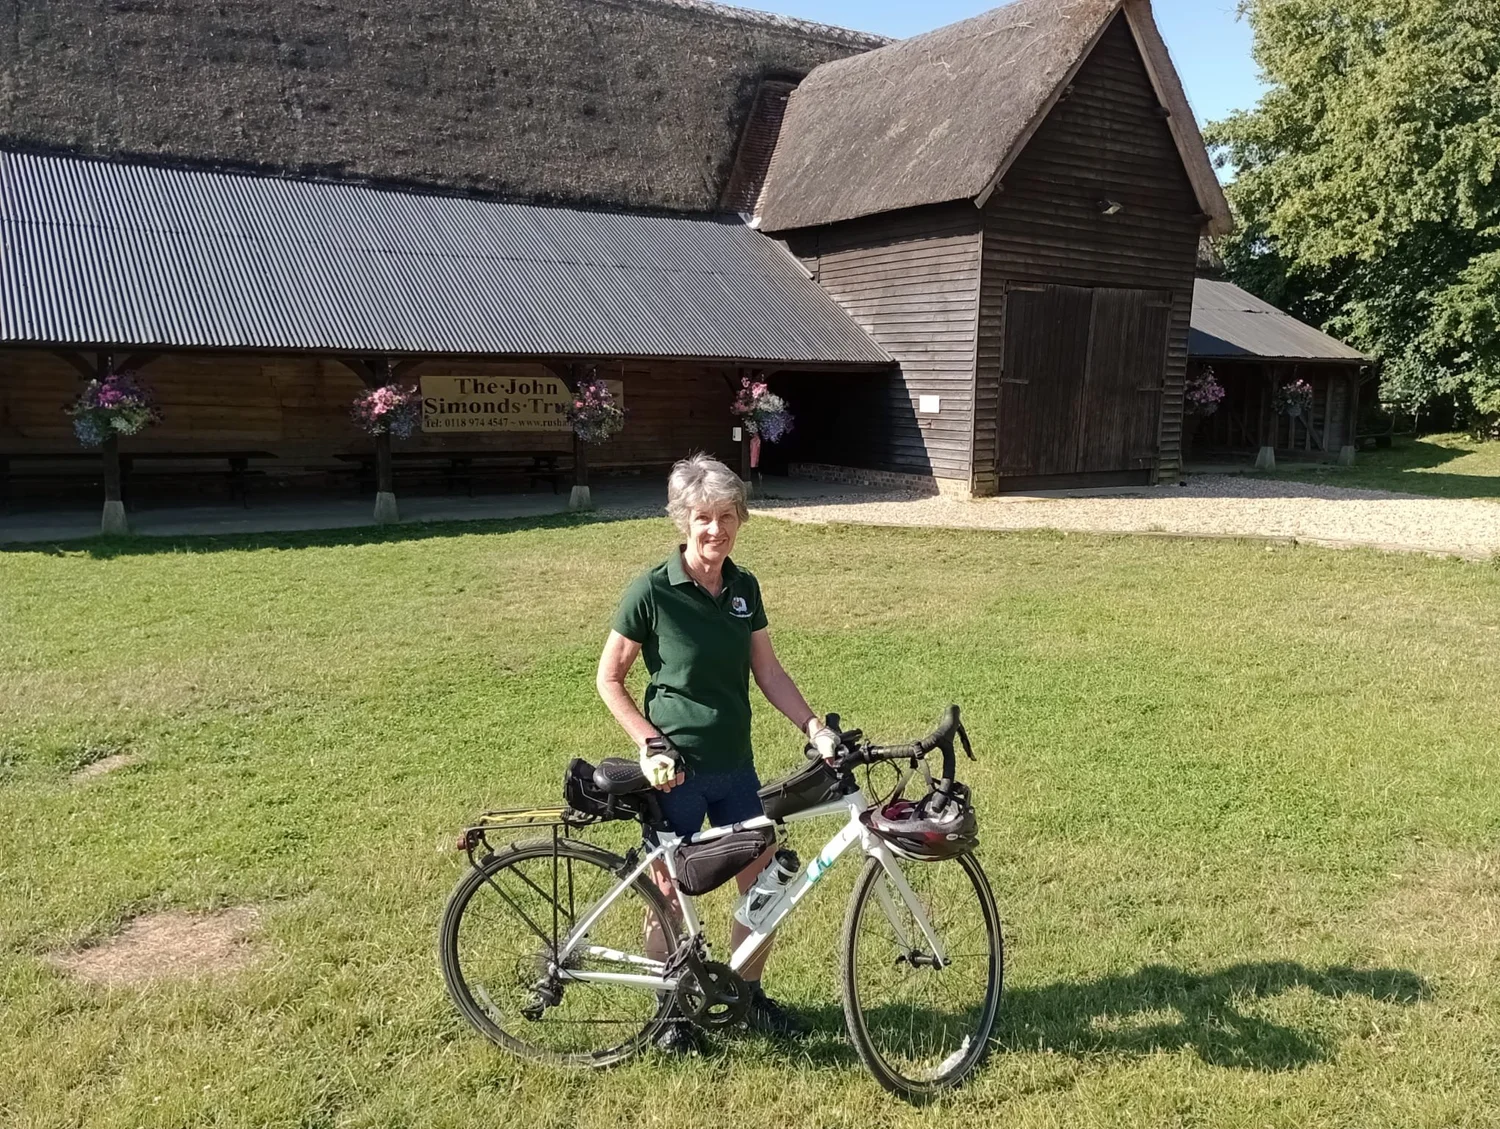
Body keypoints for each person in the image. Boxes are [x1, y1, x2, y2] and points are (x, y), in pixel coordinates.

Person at [596, 453, 840, 1053]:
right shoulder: (651, 590)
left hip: (735, 767)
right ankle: (669, 1018)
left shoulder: (743, 587)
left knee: (763, 890)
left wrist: (813, 726)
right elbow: (609, 678)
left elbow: (768, 669)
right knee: (670, 898)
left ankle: (746, 996)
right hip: (675, 775)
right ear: (684, 520)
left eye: (727, 516)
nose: (716, 530)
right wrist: (649, 741)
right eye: (704, 517)